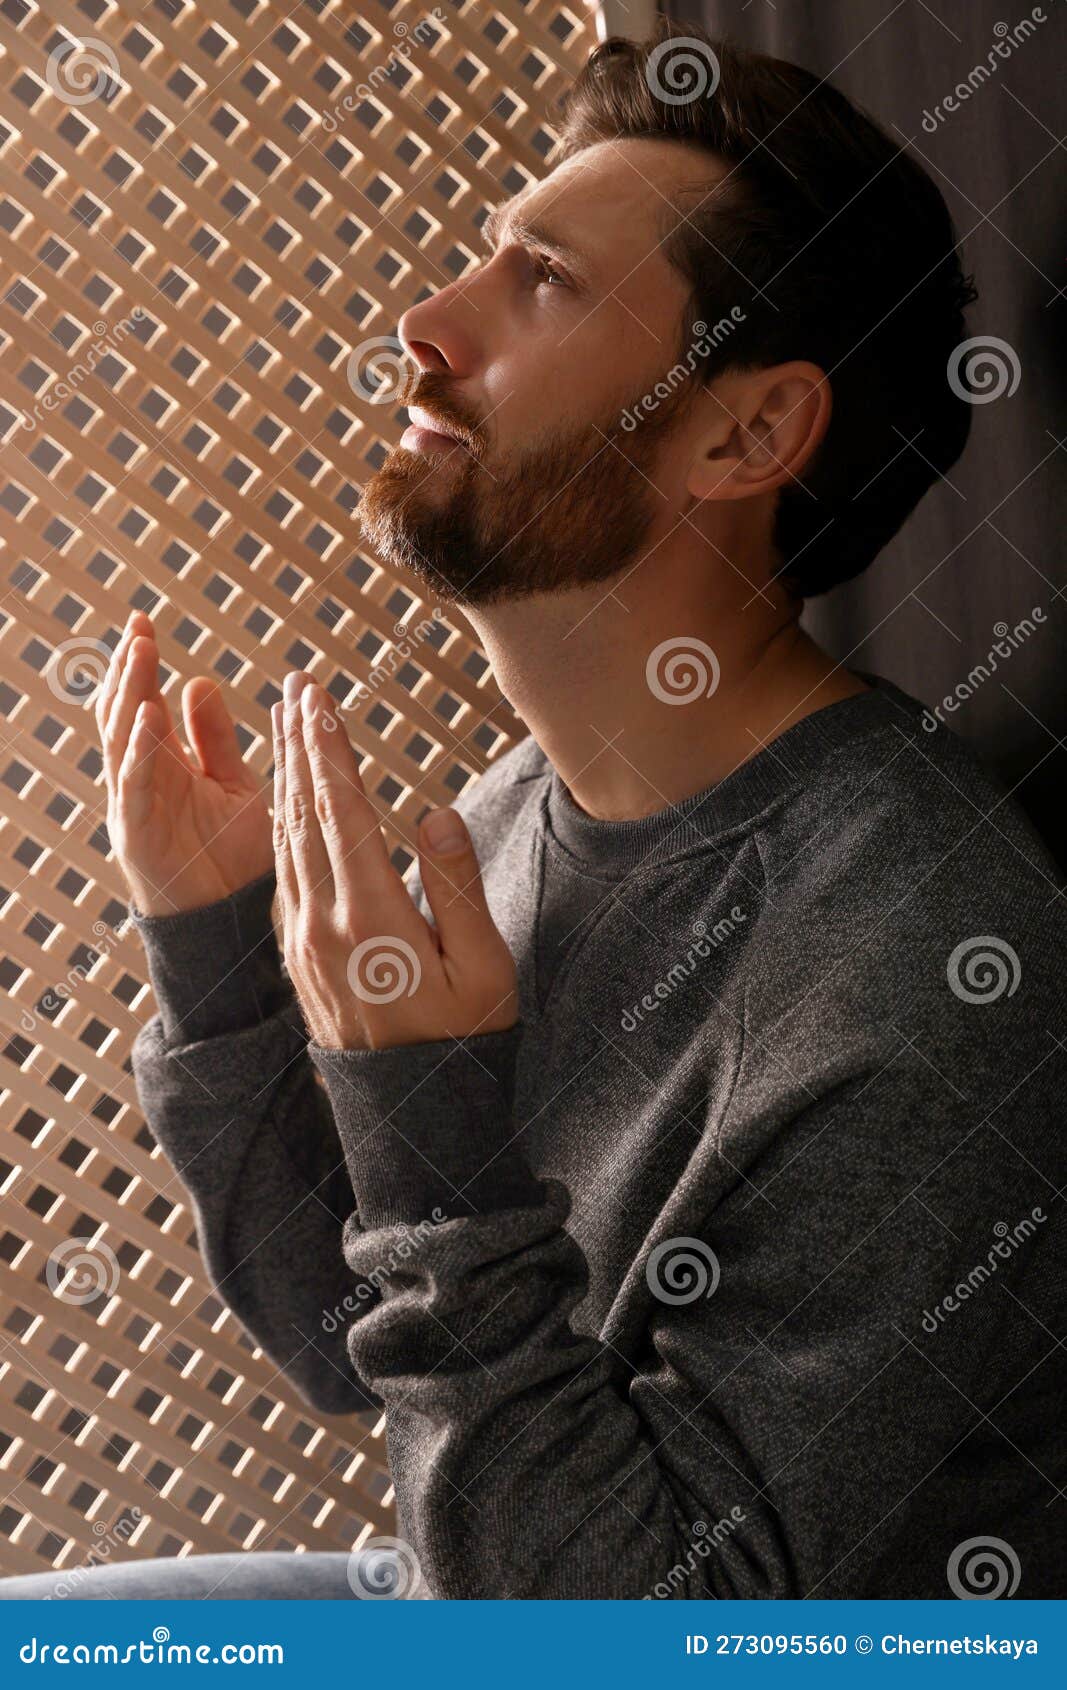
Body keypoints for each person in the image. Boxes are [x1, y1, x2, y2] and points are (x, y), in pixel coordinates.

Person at [7, 21, 1062, 1600]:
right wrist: (220, 953)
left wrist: (427, 1122)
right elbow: (352, 1346)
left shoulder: (918, 958)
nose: (425, 324)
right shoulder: (518, 816)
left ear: (747, 433)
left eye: (544, 283)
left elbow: (633, 1628)